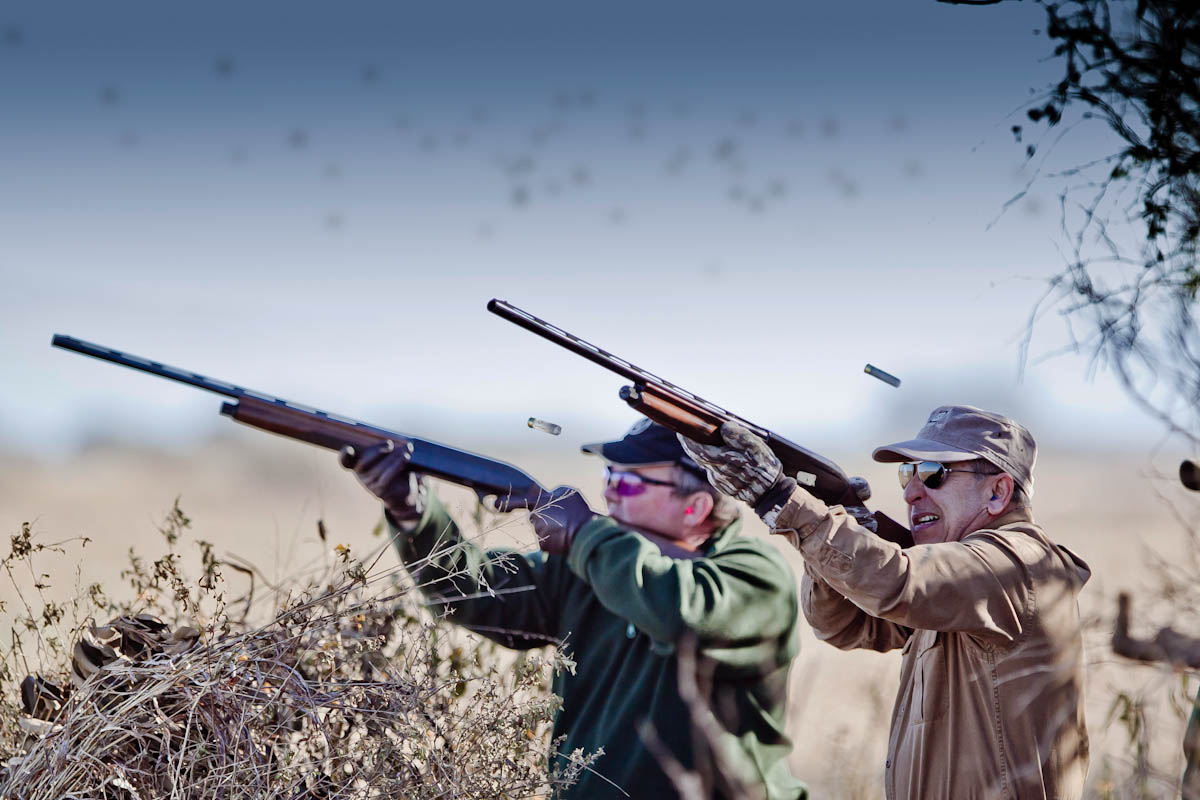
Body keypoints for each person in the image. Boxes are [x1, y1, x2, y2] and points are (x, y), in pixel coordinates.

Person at [342, 419, 808, 799]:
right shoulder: (593, 565)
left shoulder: (754, 574)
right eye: (608, 478)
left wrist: (585, 536)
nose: (609, 494)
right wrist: (413, 512)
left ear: (696, 507)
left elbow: (679, 610)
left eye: (628, 483)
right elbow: (471, 592)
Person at [682, 405, 1091, 800]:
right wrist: (839, 524)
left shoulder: (1018, 561)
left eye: (933, 474)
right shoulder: (957, 583)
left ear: (998, 492)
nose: (911, 493)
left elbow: (897, 581)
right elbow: (842, 626)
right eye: (907, 474)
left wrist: (783, 501)